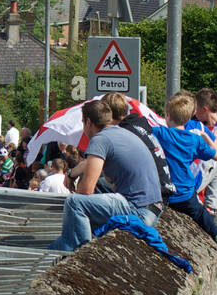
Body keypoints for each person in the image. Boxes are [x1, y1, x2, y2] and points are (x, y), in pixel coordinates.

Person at [47, 100, 163, 252]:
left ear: (88, 122)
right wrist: (71, 173)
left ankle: (77, 252)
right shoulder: (122, 133)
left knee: (74, 203)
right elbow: (92, 165)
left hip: (138, 210)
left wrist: (76, 184)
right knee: (100, 189)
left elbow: (86, 190)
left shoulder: (100, 139)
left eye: (83, 122)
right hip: (153, 209)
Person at [151, 92, 217, 252]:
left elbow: (141, 131)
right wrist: (207, 139)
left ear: (167, 115)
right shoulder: (195, 140)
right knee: (201, 215)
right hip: (186, 194)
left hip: (163, 193)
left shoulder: (161, 133)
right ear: (189, 117)